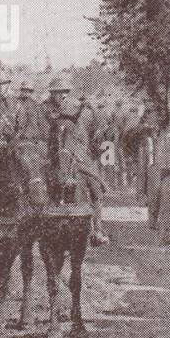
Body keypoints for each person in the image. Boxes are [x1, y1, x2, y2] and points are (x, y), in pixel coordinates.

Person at [44, 77, 109, 246]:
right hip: (57, 160)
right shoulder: (48, 112)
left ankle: (97, 229)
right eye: (59, 93)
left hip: (83, 160)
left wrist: (95, 149)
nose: (62, 96)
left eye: (65, 92)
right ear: (52, 94)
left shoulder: (85, 113)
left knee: (97, 191)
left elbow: (99, 131)